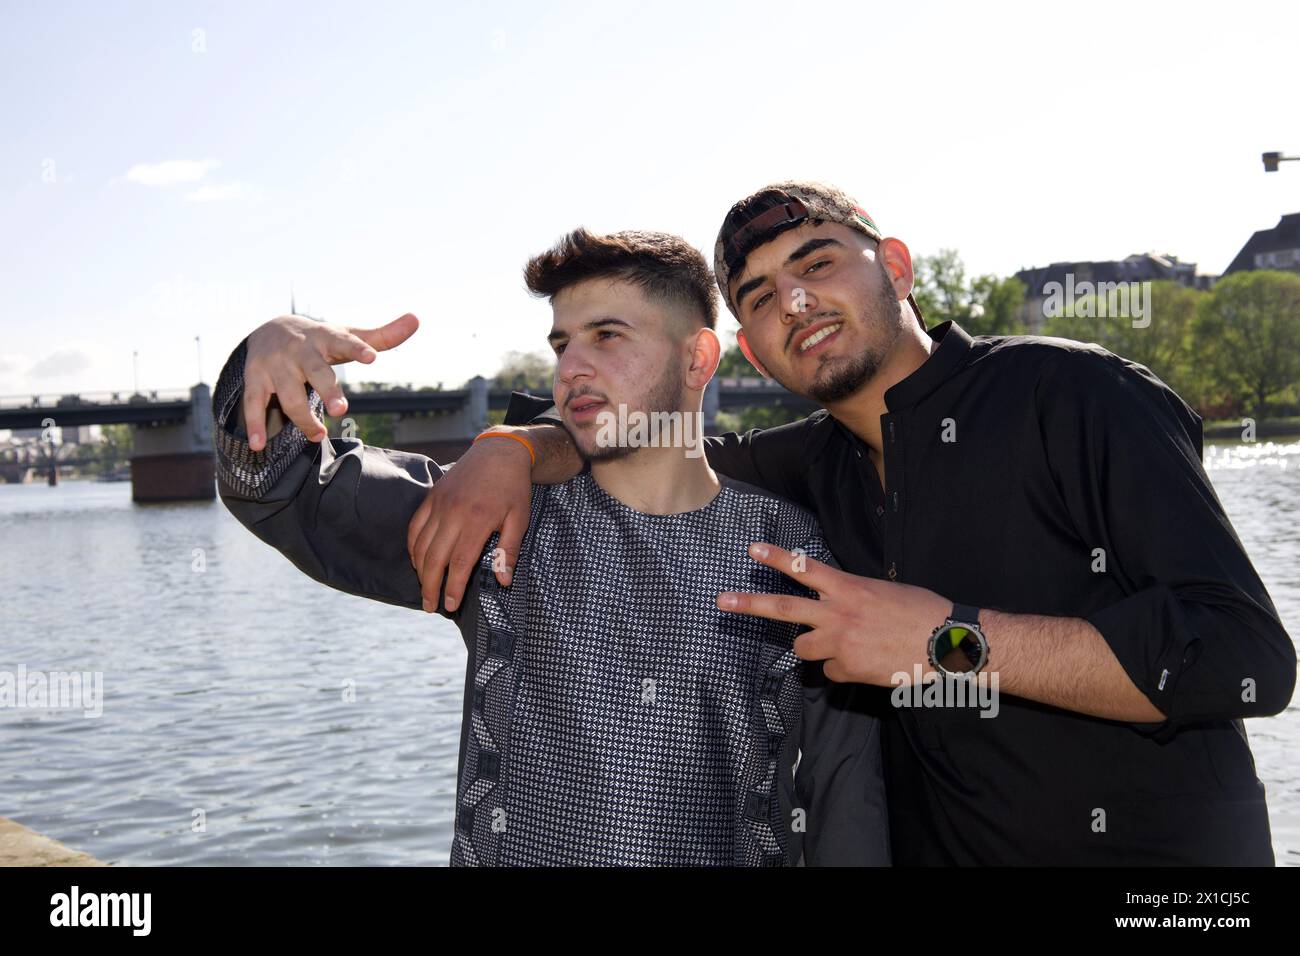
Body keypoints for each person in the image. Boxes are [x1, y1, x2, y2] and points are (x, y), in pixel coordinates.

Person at [413, 181, 1297, 865]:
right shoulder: (803, 466)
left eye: (818, 263)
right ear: (748, 349)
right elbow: (642, 433)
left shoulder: (1072, 394)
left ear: (899, 268)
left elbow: (1245, 660)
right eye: (758, 296)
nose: (793, 301)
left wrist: (948, 642)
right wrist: (510, 448)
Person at [212, 227, 889, 866]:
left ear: (697, 358)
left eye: (607, 336)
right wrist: (267, 355)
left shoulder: (794, 553)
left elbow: (844, 804)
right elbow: (277, 484)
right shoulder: (495, 518)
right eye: (563, 344)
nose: (572, 368)